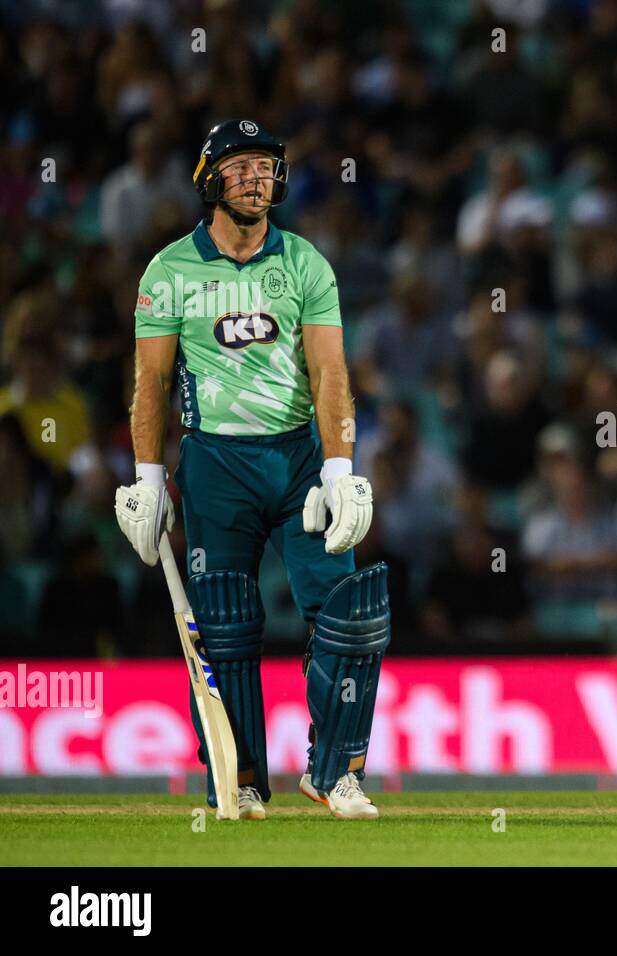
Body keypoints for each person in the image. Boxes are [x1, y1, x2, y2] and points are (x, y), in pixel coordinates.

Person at [113, 120, 389, 820]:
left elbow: (329, 370)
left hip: (298, 456)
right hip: (215, 464)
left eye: (265, 167)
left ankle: (336, 773)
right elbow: (151, 380)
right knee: (227, 627)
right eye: (238, 168)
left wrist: (338, 467)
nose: (255, 179)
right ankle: (237, 780)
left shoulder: (305, 264)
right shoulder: (170, 270)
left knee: (349, 615)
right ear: (210, 179)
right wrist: (147, 479)